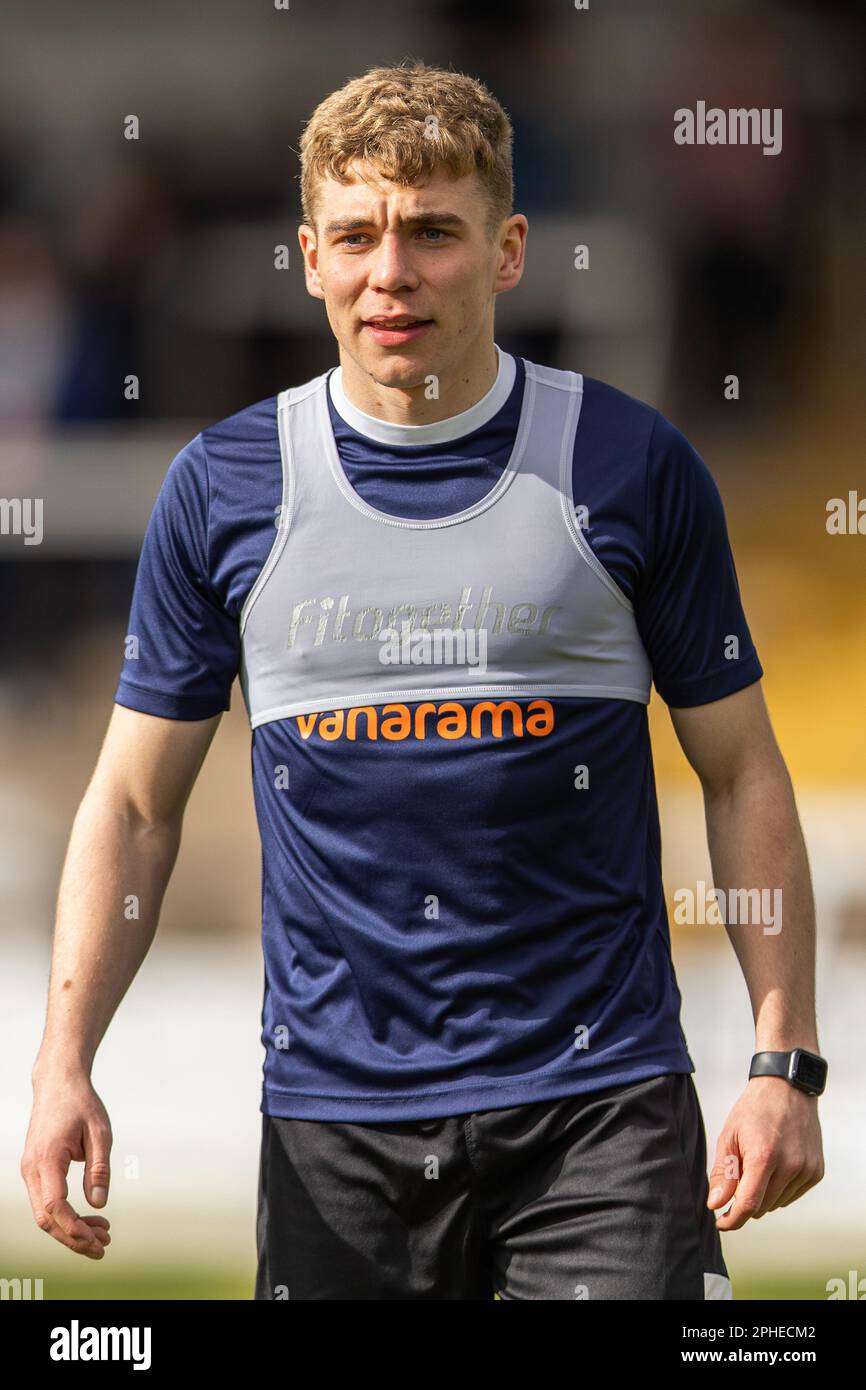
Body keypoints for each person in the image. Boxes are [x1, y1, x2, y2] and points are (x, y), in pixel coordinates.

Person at [21, 59, 826, 1300]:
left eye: (431, 232)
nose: (389, 272)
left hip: (597, 1114)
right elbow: (132, 804)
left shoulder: (628, 465)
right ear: (307, 256)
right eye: (355, 236)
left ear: (506, 251)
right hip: (333, 1133)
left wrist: (784, 1061)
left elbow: (741, 769)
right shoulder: (225, 489)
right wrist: (63, 1060)